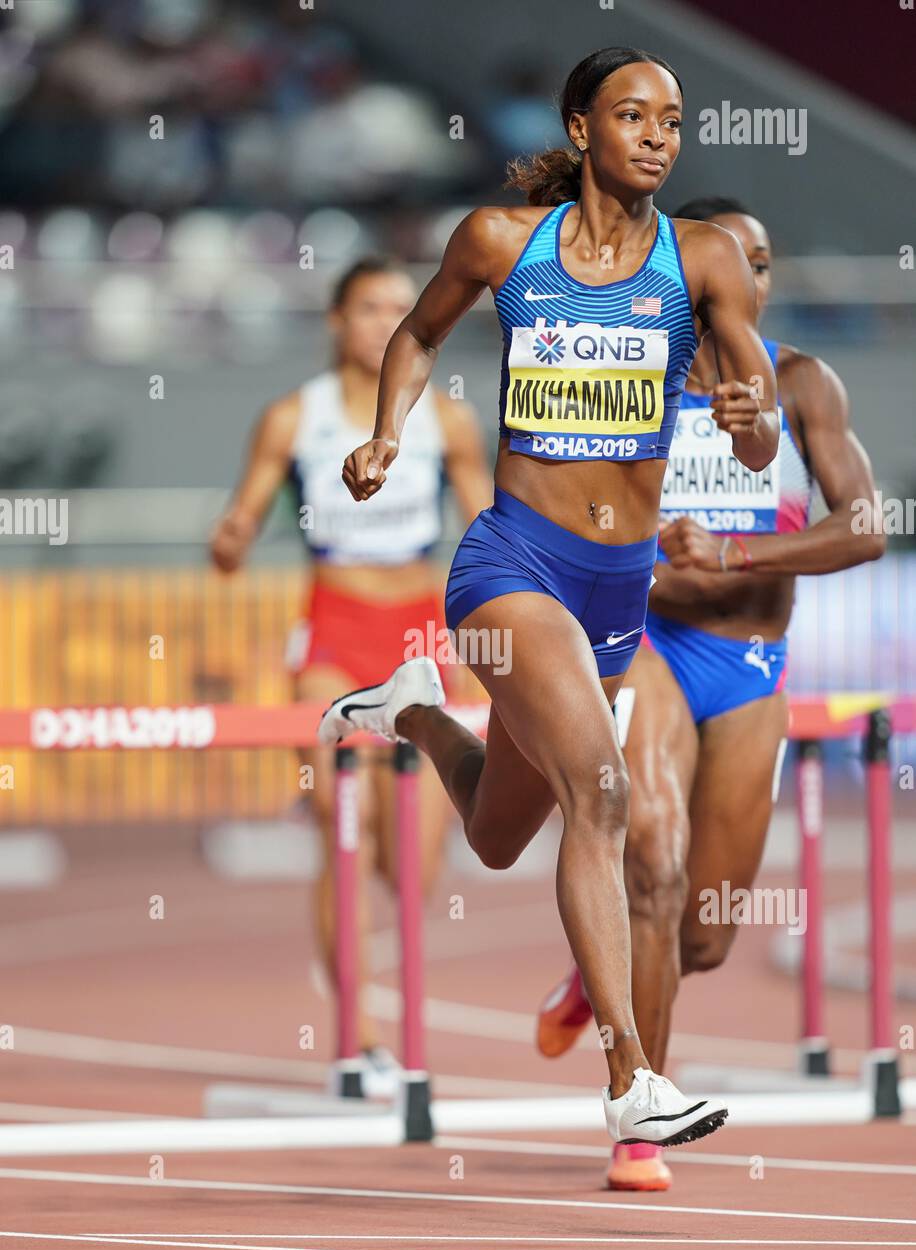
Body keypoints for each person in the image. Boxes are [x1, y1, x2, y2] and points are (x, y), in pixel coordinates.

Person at [319, 48, 781, 1148]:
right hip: (513, 565)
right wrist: (389, 432)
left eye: (673, 120)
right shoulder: (499, 242)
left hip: (616, 588)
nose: (659, 136)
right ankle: (630, 1075)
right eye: (633, 115)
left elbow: (760, 438)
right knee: (605, 794)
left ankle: (413, 712)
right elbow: (420, 332)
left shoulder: (704, 259)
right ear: (581, 131)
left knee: (493, 830)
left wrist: (746, 416)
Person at [536, 196, 885, 1189]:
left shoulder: (802, 383)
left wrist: (733, 549)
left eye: (765, 265)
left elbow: (864, 525)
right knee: (651, 862)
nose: (751, 283)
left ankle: (589, 971)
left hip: (747, 666)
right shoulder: (619, 379)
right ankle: (637, 1117)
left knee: (705, 930)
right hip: (642, 639)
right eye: (730, 263)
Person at [211, 255, 492, 1096]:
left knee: (418, 854)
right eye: (370, 308)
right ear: (337, 320)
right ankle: (357, 1034)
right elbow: (243, 519)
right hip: (333, 630)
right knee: (347, 826)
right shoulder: (293, 417)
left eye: (400, 310)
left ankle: (360, 971)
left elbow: (486, 530)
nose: (385, 323)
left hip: (420, 633)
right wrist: (229, 538)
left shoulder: (446, 420)